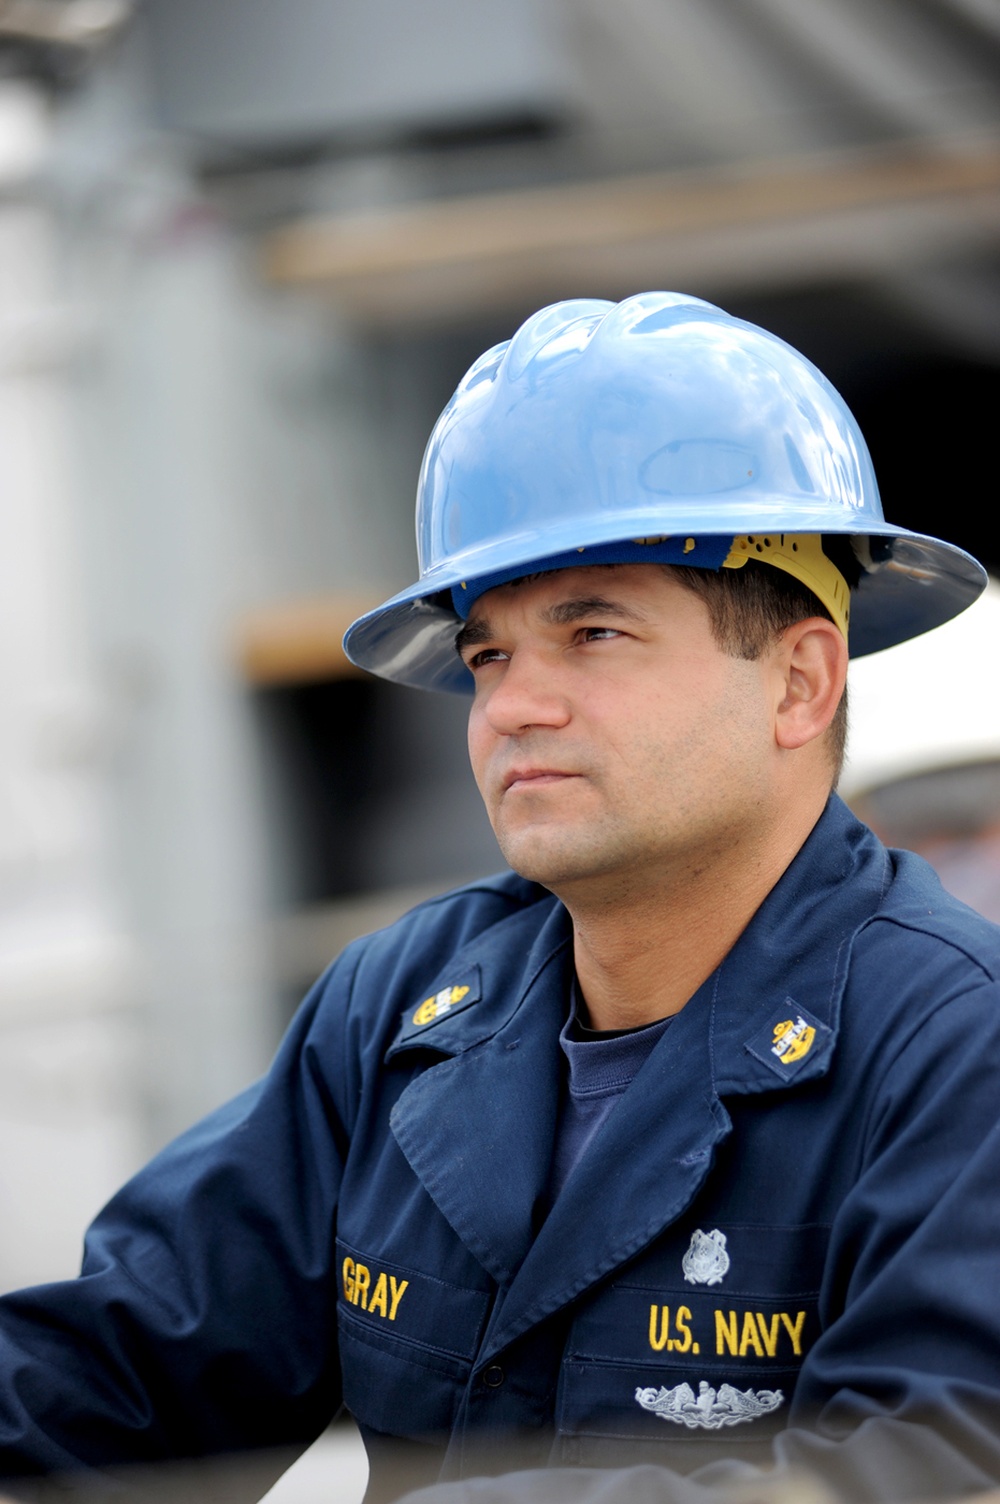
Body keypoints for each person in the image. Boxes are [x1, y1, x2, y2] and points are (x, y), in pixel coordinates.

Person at [0, 291, 998, 1504]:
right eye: (489, 655)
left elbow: (934, 1471)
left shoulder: (954, 1045)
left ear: (798, 682)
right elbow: (124, 1364)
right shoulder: (404, 1007)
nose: (514, 705)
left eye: (592, 633)